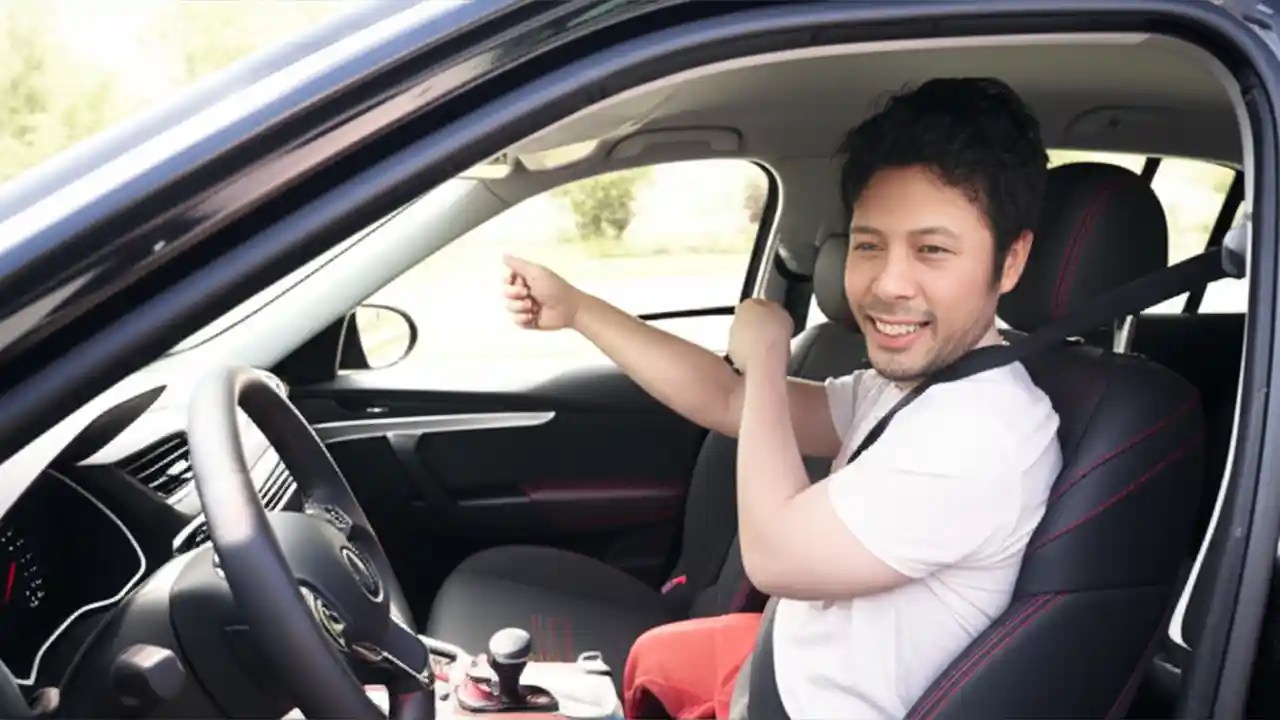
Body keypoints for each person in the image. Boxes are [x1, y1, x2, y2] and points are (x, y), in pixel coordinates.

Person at [499, 77, 1063, 719]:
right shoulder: (925, 388)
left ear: (1010, 262)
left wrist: (769, 353)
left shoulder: (982, 434)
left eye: (932, 250)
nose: (888, 284)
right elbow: (731, 401)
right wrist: (578, 309)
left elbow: (772, 554)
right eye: (870, 244)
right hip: (774, 674)